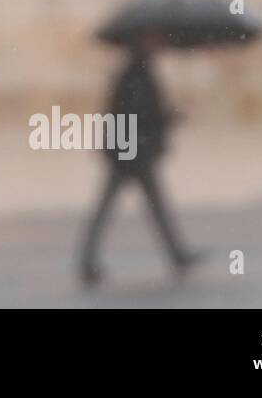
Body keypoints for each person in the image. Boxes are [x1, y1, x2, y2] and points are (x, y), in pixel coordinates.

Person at [78, 30, 202, 286]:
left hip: (129, 151)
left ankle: (176, 254)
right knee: (144, 207)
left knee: (127, 207)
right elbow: (140, 114)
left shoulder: (135, 75)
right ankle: (176, 255)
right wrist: (168, 118)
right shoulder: (136, 77)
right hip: (133, 153)